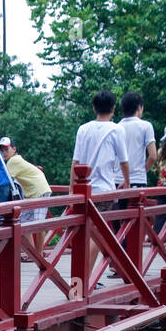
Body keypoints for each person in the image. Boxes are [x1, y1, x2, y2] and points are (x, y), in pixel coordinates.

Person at [72, 89, 129, 282]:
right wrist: (127, 182)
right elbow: (123, 161)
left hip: (82, 191)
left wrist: (72, 188)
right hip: (103, 190)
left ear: (94, 107)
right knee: (97, 236)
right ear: (113, 108)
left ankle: (81, 281)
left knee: (84, 234)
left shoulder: (83, 129)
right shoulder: (116, 129)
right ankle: (82, 280)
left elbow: (76, 162)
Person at [0, 135, 52, 257]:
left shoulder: (13, 161)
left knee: (38, 223)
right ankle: (32, 253)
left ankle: (37, 254)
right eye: (2, 150)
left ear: (14, 149)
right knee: (23, 222)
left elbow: (4, 180)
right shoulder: (14, 160)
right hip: (32, 193)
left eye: (6, 149)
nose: (4, 152)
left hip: (39, 191)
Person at [118, 91, 157, 191]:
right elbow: (153, 156)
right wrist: (143, 171)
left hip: (116, 180)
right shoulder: (146, 126)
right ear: (139, 107)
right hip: (137, 180)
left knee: (119, 207)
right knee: (137, 207)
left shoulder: (116, 127)